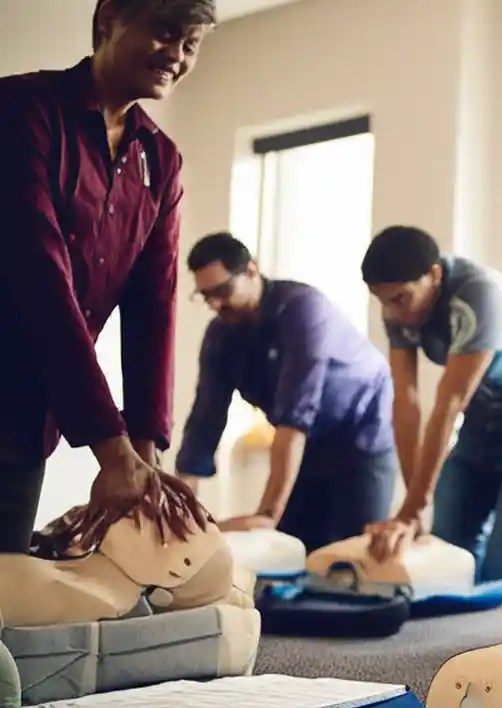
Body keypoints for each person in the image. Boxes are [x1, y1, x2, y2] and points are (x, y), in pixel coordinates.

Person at [0, 0, 216, 552]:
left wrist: (145, 451)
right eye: (165, 33)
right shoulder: (22, 107)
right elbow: (38, 279)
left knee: (8, 591)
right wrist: (108, 445)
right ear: (109, 20)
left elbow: (154, 307)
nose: (177, 55)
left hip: (29, 420)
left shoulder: (161, 161)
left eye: (191, 44)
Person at [361, 226, 502, 581]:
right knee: (449, 558)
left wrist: (412, 509)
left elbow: (449, 403)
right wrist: (414, 512)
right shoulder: (396, 309)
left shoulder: (479, 294)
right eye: (383, 301)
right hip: (481, 424)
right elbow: (407, 402)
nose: (393, 312)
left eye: (400, 299)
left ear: (434, 275)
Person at [176, 233, 399, 552]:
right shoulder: (220, 336)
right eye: (206, 296)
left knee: (350, 557)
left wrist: (267, 514)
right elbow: (204, 420)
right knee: (291, 552)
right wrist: (179, 515)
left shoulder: (301, 309)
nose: (215, 305)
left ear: (251, 271)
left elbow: (296, 413)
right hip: (306, 450)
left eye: (223, 291)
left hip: (362, 439)